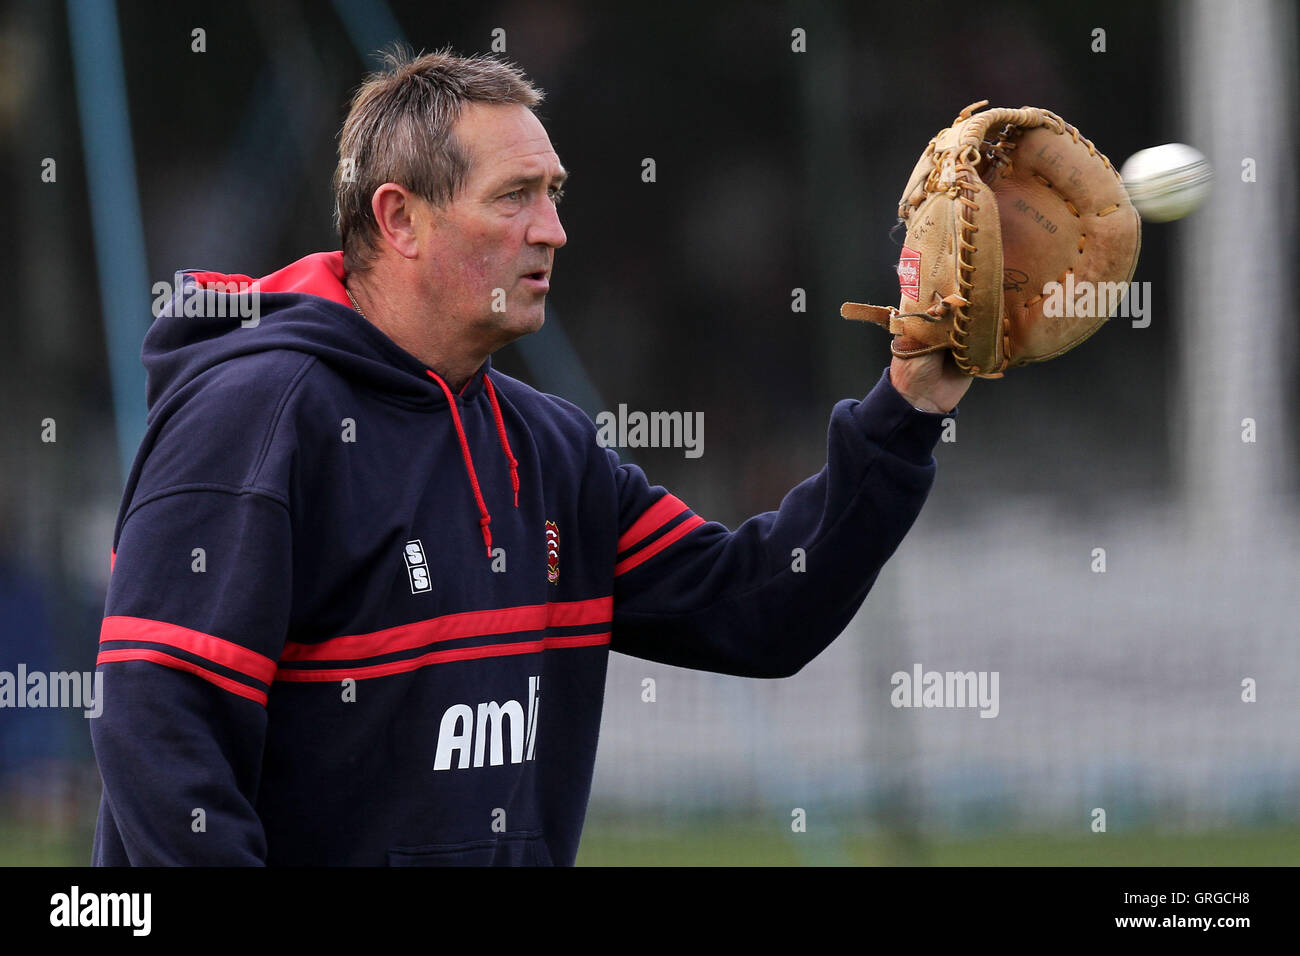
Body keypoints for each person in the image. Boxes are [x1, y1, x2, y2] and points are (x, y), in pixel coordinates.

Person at [90, 49, 971, 866]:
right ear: (399, 217)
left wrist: (909, 405)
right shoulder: (254, 417)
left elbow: (760, 607)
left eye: (553, 193)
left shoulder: (547, 446)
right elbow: (161, 730)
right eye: (515, 196)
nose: (551, 229)